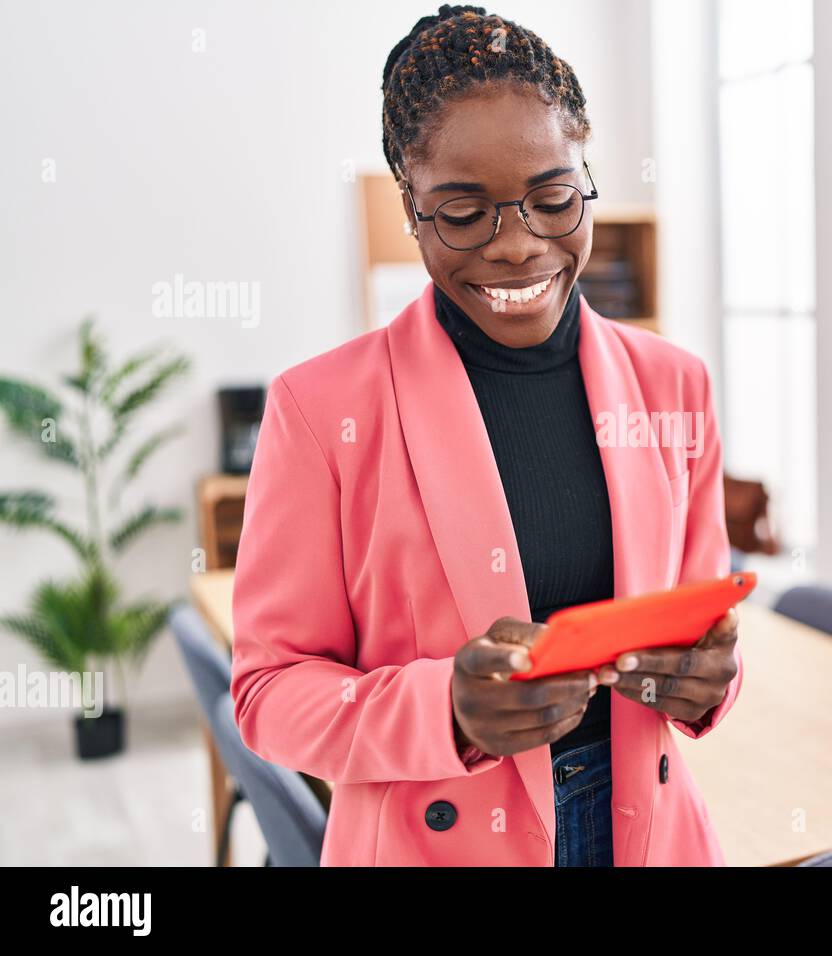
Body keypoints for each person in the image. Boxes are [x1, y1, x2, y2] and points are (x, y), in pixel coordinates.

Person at [230, 4, 742, 866]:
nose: (518, 246)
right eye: (463, 213)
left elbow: (700, 615)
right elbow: (268, 694)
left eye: (551, 199)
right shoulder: (320, 410)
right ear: (411, 207)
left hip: (650, 836)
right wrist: (445, 710)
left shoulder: (673, 385)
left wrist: (710, 682)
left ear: (587, 180)